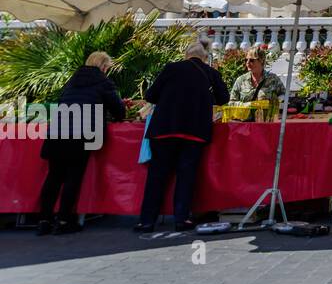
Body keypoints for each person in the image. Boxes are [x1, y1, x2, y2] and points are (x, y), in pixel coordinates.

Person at [135, 40, 229, 232]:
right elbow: (224, 99)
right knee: (186, 176)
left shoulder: (171, 68)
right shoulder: (210, 72)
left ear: (186, 55)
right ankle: (181, 219)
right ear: (204, 58)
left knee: (157, 176)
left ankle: (146, 221)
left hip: (164, 130)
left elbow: (151, 95)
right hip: (193, 132)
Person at [37, 51, 126, 236]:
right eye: (107, 68)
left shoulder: (72, 81)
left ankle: (44, 221)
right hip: (82, 134)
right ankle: (63, 221)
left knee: (54, 177)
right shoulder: (103, 82)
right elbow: (119, 112)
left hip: (58, 132)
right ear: (103, 66)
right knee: (72, 178)